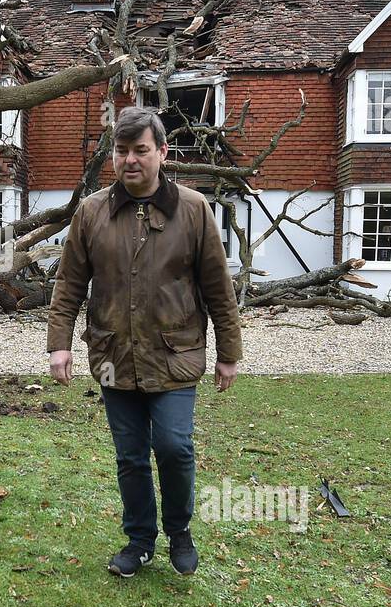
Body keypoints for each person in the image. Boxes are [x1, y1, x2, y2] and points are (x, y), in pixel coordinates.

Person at [46, 106, 243, 578]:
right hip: (115, 356)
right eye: (121, 150)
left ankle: (179, 532)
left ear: (162, 153)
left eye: (141, 150)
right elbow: (70, 282)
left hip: (176, 357)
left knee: (175, 447)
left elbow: (218, 285)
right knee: (130, 455)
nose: (130, 160)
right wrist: (60, 343)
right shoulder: (92, 212)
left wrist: (228, 352)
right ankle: (139, 540)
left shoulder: (194, 210)